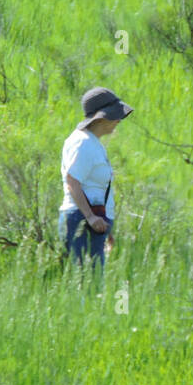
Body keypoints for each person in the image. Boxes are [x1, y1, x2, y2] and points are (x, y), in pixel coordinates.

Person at [60, 87, 133, 267]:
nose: (118, 120)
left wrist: (106, 228)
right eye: (115, 115)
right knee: (87, 285)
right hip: (82, 221)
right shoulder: (83, 143)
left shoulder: (92, 142)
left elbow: (95, 189)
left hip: (91, 221)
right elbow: (72, 181)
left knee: (91, 286)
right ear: (101, 117)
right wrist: (91, 217)